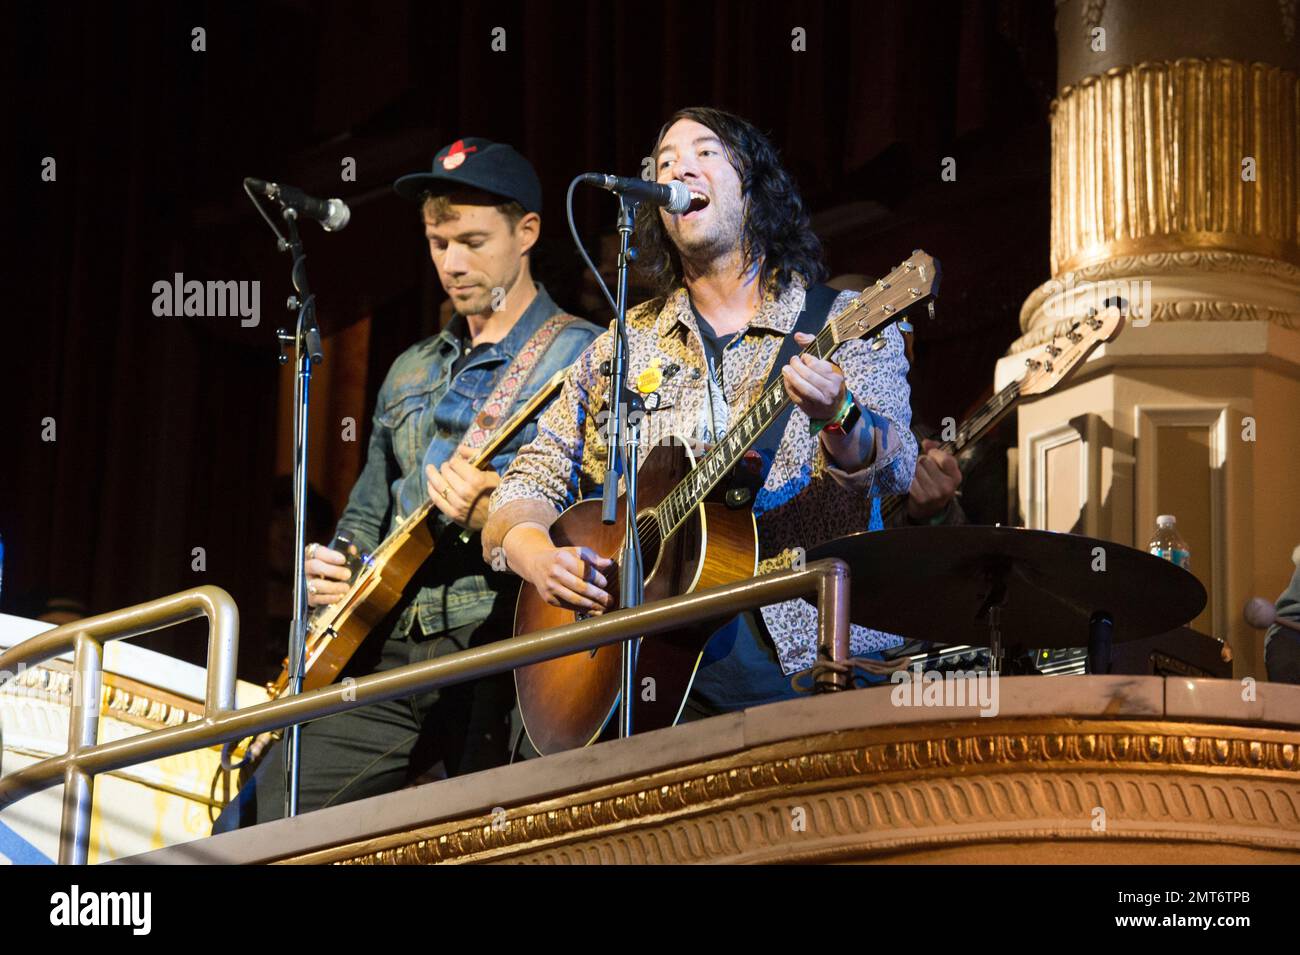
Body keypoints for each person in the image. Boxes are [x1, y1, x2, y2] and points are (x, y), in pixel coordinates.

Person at [483, 107, 919, 733]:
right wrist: (532, 553)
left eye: (706, 152)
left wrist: (838, 415)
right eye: (663, 162)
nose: (679, 166)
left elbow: (895, 471)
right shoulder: (623, 345)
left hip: (796, 642)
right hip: (640, 647)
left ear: (755, 187)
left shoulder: (842, 320)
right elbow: (528, 481)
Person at [213, 138, 601, 830]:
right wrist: (337, 565)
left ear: (529, 233)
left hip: (500, 644)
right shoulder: (409, 369)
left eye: (473, 241)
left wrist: (494, 509)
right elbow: (366, 514)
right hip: (387, 646)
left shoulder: (582, 353)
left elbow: (603, 514)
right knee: (259, 822)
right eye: (437, 241)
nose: (452, 263)